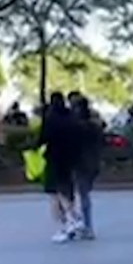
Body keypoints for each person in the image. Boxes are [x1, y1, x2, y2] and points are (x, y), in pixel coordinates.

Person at [38, 92, 82, 242]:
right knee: (67, 188)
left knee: (54, 191)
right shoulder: (71, 117)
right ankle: (73, 217)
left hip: (54, 158)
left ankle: (68, 221)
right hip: (70, 159)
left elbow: (42, 138)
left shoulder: (51, 119)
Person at [70, 94, 100, 240]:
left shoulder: (75, 126)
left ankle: (84, 225)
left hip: (79, 163)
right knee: (84, 194)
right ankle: (85, 224)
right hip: (92, 162)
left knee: (79, 195)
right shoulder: (94, 126)